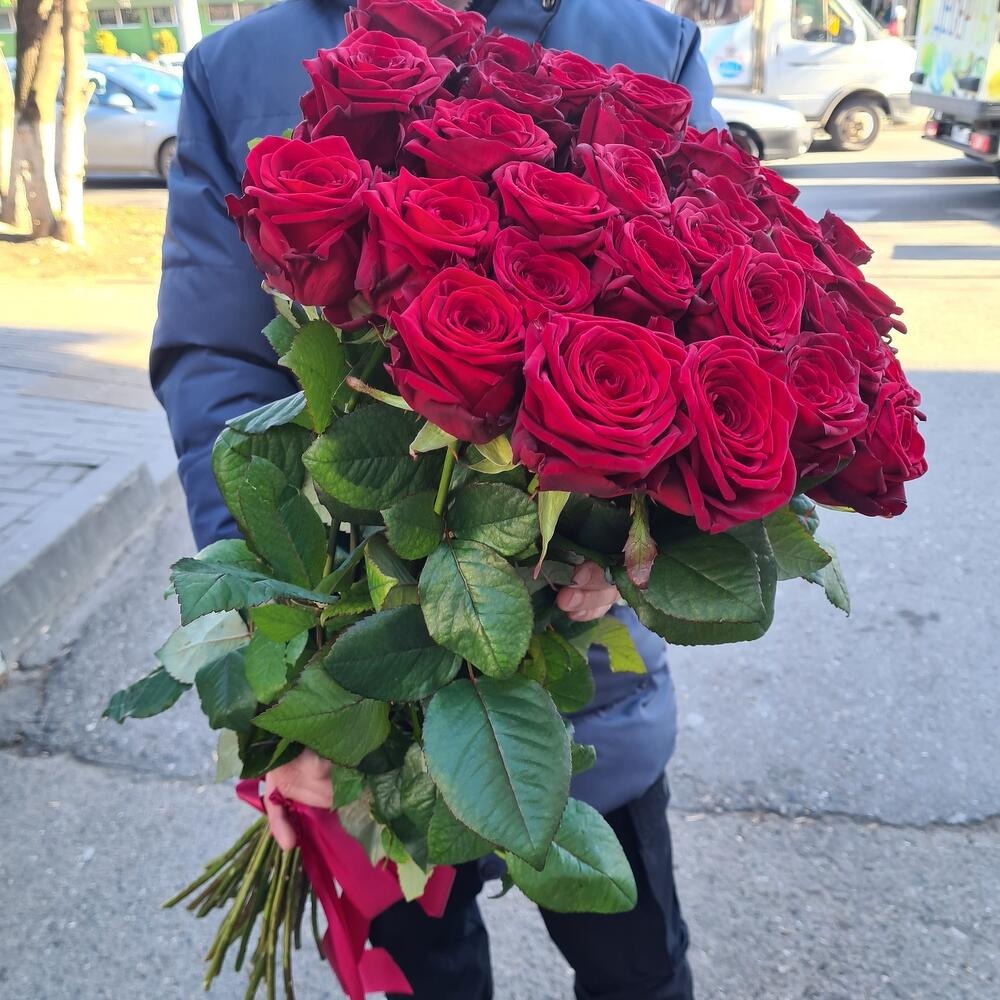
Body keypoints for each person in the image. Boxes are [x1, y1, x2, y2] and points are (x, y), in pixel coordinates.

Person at [152, 2, 724, 997]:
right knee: (425, 974)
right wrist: (282, 664)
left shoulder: (644, 47)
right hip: (360, 674)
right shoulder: (239, 68)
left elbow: (716, 336)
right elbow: (220, 370)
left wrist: (637, 537)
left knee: (635, 965)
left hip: (589, 677)